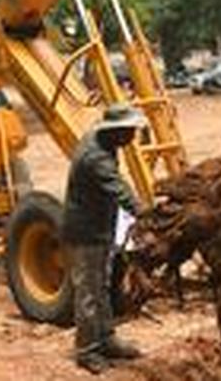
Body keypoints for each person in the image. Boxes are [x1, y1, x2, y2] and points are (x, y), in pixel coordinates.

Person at [63, 104, 146, 374]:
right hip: (85, 233)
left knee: (102, 287)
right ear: (115, 131)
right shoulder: (95, 156)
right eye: (130, 130)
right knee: (89, 291)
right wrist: (146, 214)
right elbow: (120, 189)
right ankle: (88, 350)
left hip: (100, 228)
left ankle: (107, 339)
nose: (134, 135)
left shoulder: (104, 143)